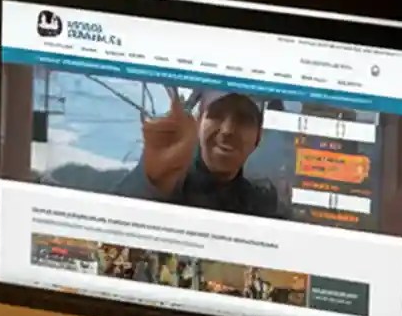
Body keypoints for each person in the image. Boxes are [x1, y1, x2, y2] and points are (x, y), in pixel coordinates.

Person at [115, 89, 284, 219]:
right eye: (216, 114)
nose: (227, 130)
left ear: (258, 137)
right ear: (198, 123)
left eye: (244, 119)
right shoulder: (166, 183)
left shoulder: (263, 204)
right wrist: (151, 184)